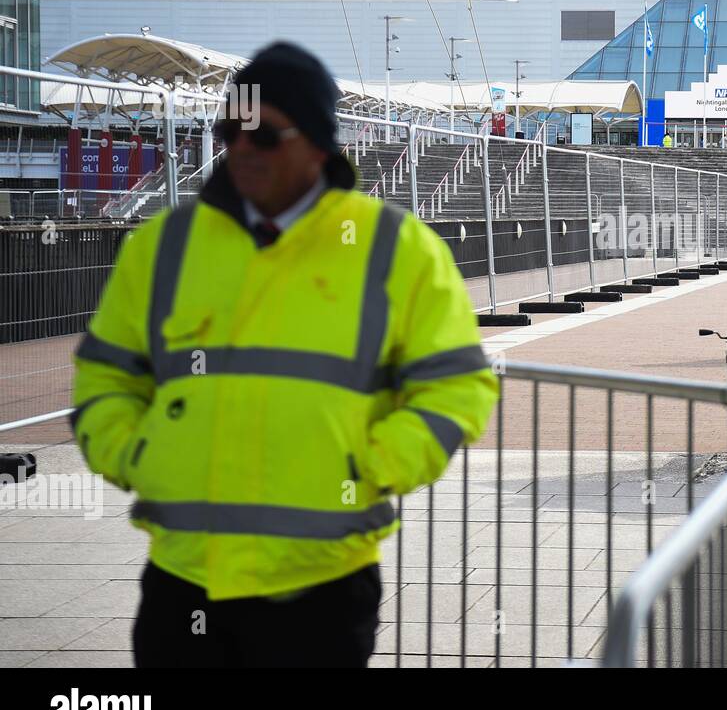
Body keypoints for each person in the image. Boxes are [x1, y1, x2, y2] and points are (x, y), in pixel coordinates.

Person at [72, 41, 499, 667]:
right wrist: (138, 454)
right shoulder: (162, 246)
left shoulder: (395, 248)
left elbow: (459, 385)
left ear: (320, 142)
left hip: (321, 588)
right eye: (229, 130)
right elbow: (106, 376)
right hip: (184, 582)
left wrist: (372, 466)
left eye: (265, 134)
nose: (242, 148)